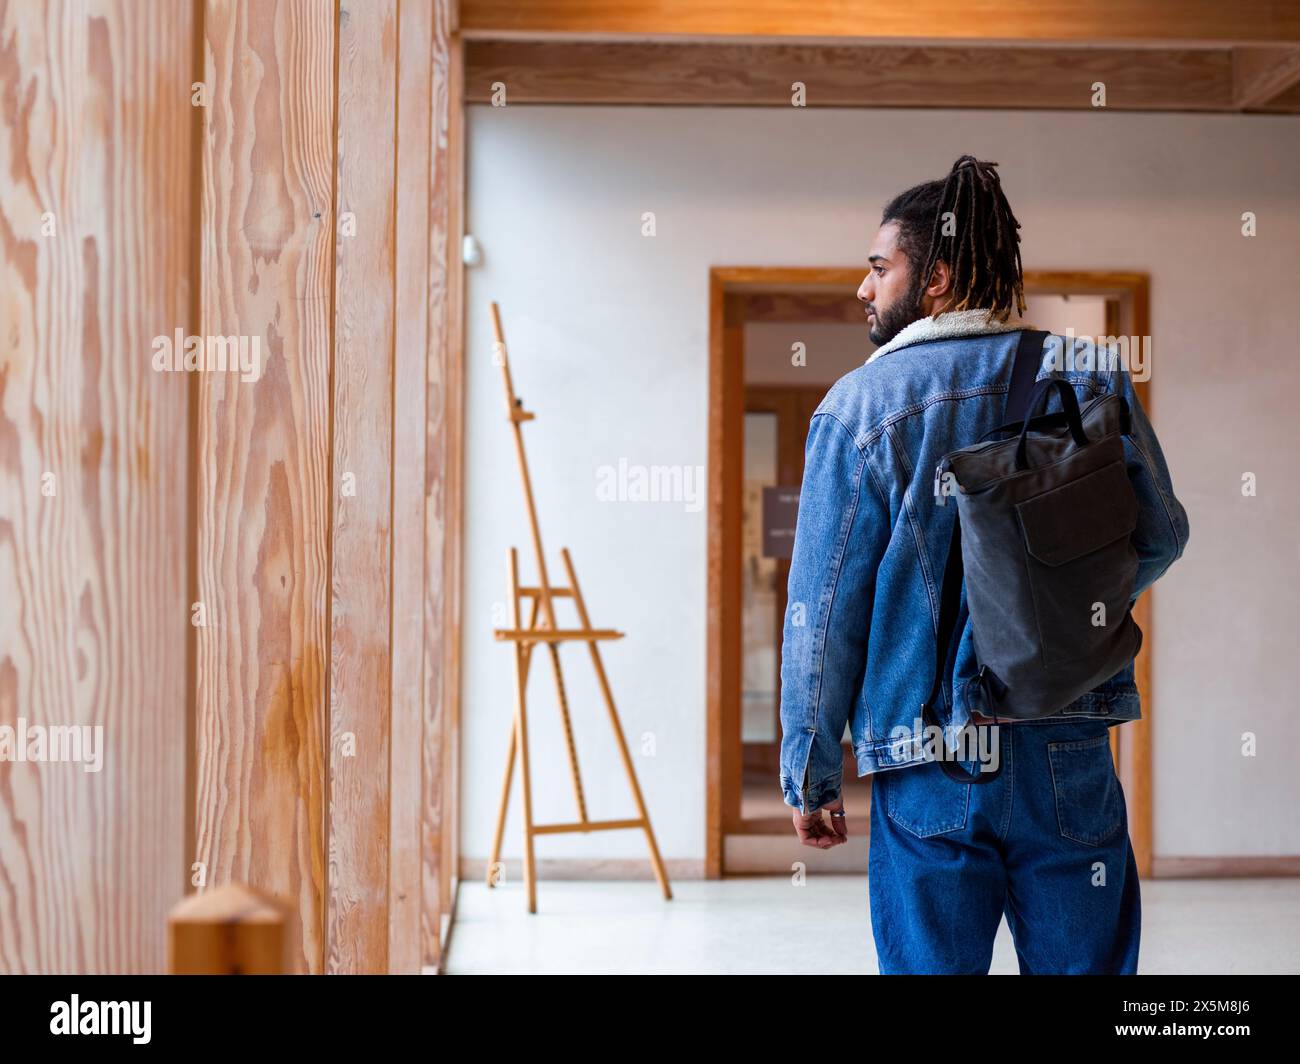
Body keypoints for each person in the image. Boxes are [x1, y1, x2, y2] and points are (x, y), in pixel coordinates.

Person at [777, 155, 1190, 974]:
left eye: (878, 267)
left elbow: (822, 615)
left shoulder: (858, 407)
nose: (864, 288)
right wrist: (1064, 610)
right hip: (1067, 743)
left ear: (934, 278)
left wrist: (812, 769)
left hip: (927, 758)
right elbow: (1161, 536)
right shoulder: (1088, 373)